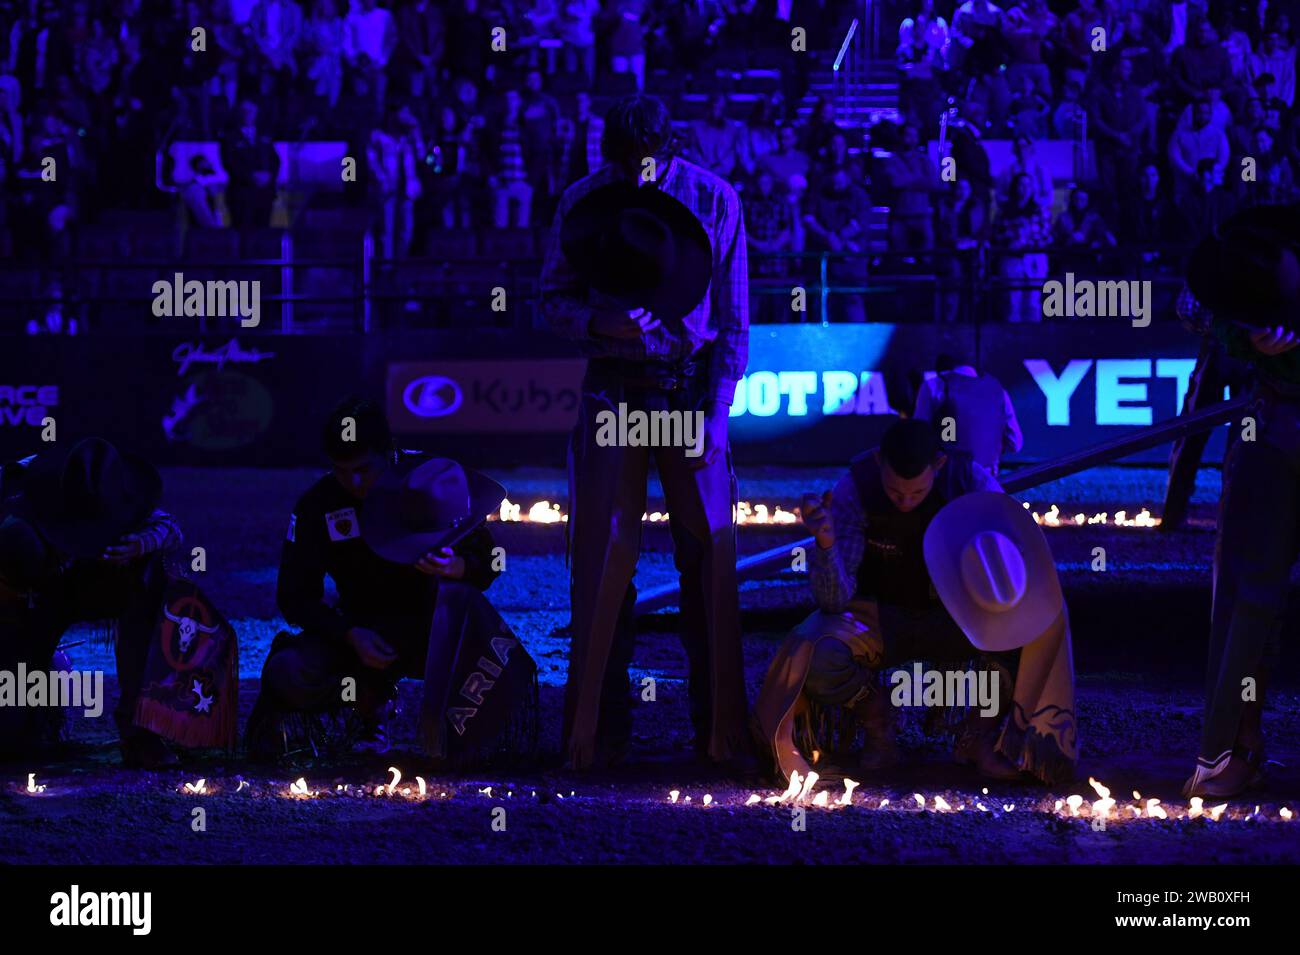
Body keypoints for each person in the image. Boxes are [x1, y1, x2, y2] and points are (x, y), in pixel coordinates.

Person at [541, 94, 749, 770]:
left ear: (671, 149)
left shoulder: (716, 201)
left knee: (710, 558)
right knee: (599, 564)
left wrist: (717, 413)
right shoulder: (583, 200)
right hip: (612, 382)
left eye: (647, 164)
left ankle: (720, 735)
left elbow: (735, 323)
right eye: (626, 165)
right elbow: (550, 301)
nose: (638, 176)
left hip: (686, 387)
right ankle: (593, 735)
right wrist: (603, 326)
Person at [753, 418, 1076, 784]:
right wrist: (825, 544)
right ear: (879, 463)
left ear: (937, 466)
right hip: (879, 615)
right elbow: (834, 601)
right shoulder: (855, 489)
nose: (905, 502)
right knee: (813, 652)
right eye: (895, 493)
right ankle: (879, 725)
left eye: (917, 493)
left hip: (959, 619)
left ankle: (978, 739)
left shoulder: (970, 481)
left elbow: (1011, 559)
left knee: (1029, 634)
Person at [246, 397, 532, 763]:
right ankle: (367, 704)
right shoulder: (318, 505)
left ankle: (453, 729)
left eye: (364, 469)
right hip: (360, 628)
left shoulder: (428, 479)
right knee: (288, 673)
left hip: (435, 628)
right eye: (342, 470)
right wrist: (348, 633)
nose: (354, 481)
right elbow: (294, 595)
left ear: (390, 453)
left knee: (491, 672)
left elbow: (492, 559)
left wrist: (459, 566)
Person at [0, 438, 220, 769]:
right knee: (11, 736)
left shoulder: (111, 487)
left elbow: (170, 527)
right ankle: (37, 692)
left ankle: (141, 726)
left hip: (86, 580)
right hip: (23, 597)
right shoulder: (12, 493)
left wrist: (139, 544)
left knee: (151, 574)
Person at [1179, 204, 1300, 797]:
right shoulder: (1244, 250)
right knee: (1246, 598)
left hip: (1275, 422)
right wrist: (1251, 340)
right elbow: (1197, 307)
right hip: (1272, 424)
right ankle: (1226, 751)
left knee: (1248, 597)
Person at [914, 353, 1022, 474]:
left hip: (946, 479)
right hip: (987, 480)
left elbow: (919, 439)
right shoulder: (998, 391)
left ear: (942, 372)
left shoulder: (934, 386)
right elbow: (1015, 444)